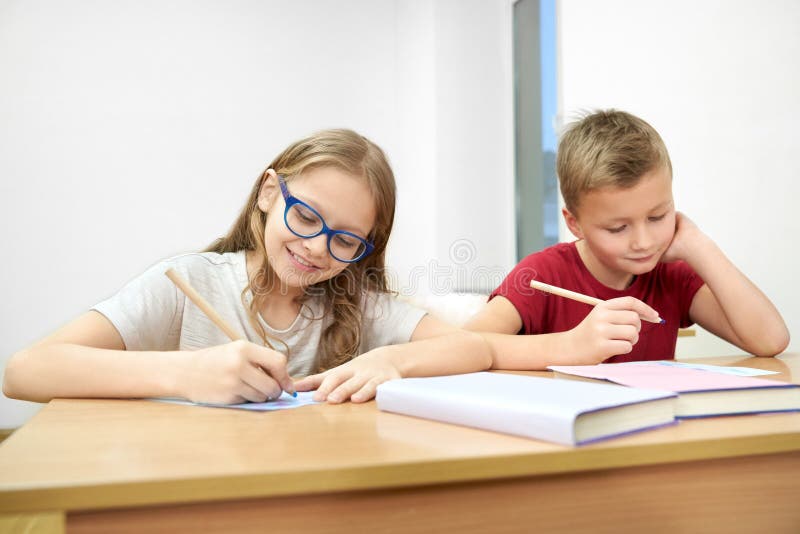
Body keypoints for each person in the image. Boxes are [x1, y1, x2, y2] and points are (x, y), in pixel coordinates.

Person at [3, 129, 491, 404]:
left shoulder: (350, 300)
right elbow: (25, 372)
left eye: (345, 241)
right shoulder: (188, 282)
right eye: (305, 216)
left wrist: (393, 361)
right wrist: (185, 374)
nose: (318, 248)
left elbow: (472, 349)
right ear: (268, 192)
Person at [466, 110, 789, 369]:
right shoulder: (542, 274)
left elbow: (770, 340)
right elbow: (462, 347)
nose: (644, 242)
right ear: (574, 223)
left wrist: (699, 246)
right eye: (618, 228)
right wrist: (570, 346)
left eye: (657, 217)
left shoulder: (670, 273)